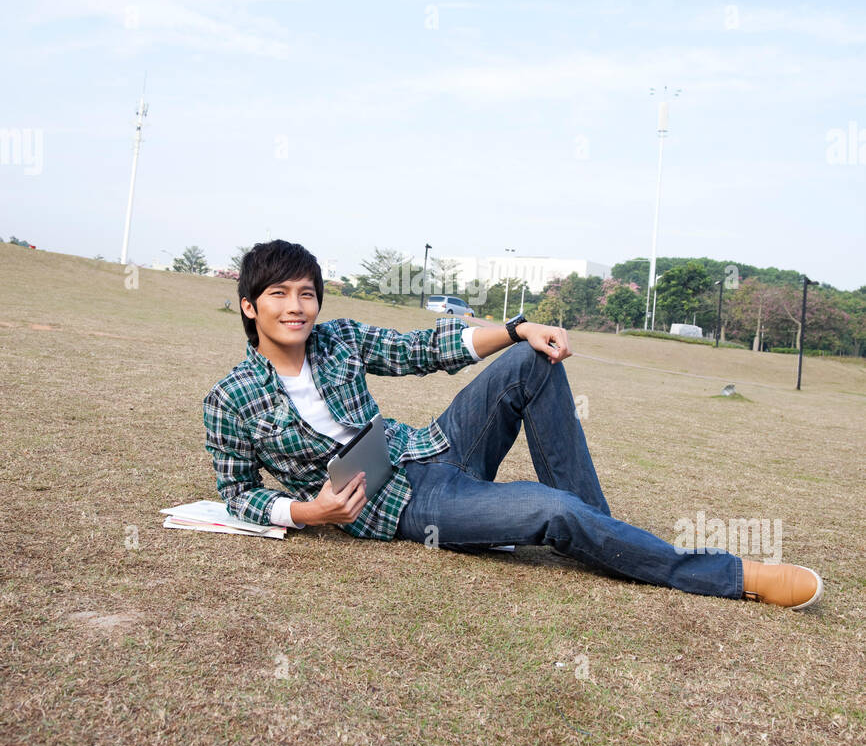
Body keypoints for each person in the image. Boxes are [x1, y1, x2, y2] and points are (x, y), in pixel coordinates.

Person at [203, 240, 823, 610]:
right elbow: (236, 497)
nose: (296, 306)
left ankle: (602, 540)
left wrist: (518, 328)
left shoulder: (336, 342)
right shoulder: (231, 398)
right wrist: (309, 514)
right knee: (552, 509)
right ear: (250, 306)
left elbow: (423, 349)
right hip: (405, 506)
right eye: (279, 294)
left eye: (306, 293)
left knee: (533, 359)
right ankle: (732, 576)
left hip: (432, 446)